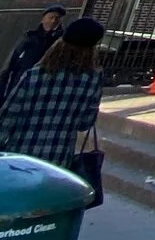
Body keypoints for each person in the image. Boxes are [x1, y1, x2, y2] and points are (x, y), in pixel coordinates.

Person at [0, 17, 105, 179]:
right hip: (59, 158)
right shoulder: (92, 79)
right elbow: (85, 123)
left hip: (20, 154)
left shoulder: (34, 75)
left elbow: (8, 115)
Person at [1, 8, 66, 105]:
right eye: (51, 17)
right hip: (21, 82)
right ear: (43, 19)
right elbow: (10, 63)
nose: (54, 21)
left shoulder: (62, 42)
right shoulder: (29, 38)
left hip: (45, 86)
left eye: (57, 18)